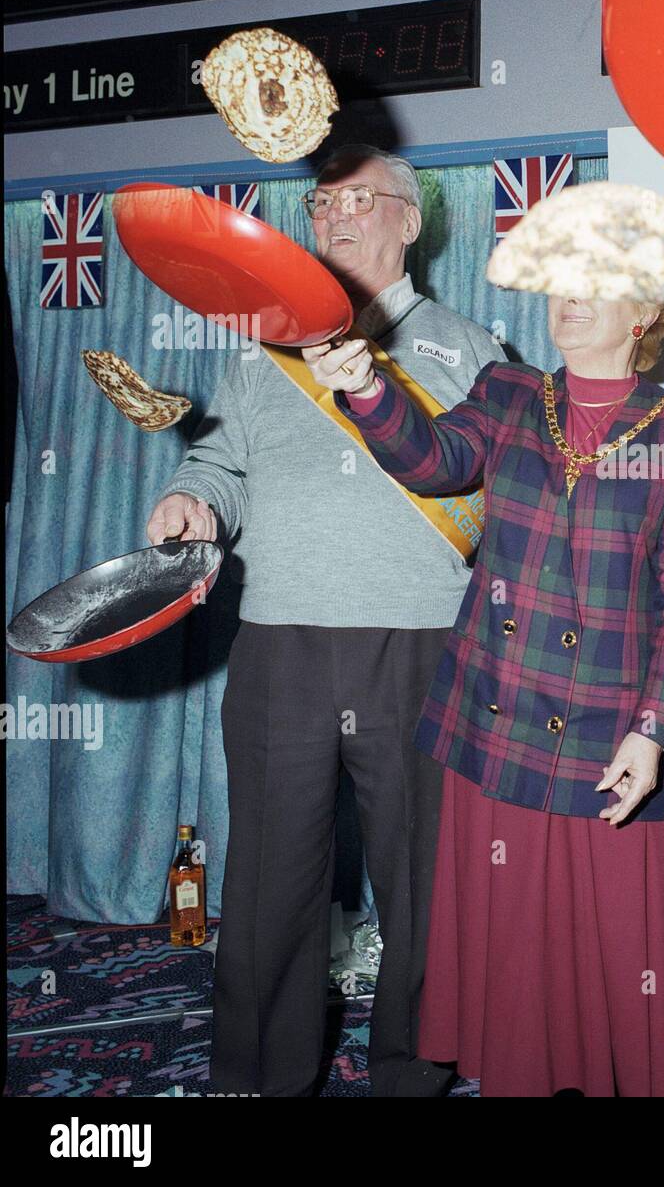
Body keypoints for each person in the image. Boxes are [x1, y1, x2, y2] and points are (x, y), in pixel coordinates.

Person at [305, 279, 664, 1097]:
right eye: (563, 285)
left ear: (643, 313)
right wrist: (366, 388)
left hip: (614, 733)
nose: (570, 299)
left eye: (596, 284)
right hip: (499, 715)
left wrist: (653, 732)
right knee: (515, 946)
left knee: (621, 945)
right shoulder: (508, 394)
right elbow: (435, 462)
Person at [147, 145, 505, 1096]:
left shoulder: (471, 347)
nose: (338, 218)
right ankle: (260, 1077)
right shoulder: (263, 354)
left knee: (424, 888)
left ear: (411, 220)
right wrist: (193, 501)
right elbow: (214, 465)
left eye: (360, 201)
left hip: (424, 643)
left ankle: (411, 1077)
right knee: (268, 885)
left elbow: (499, 490)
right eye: (321, 203)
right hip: (281, 644)